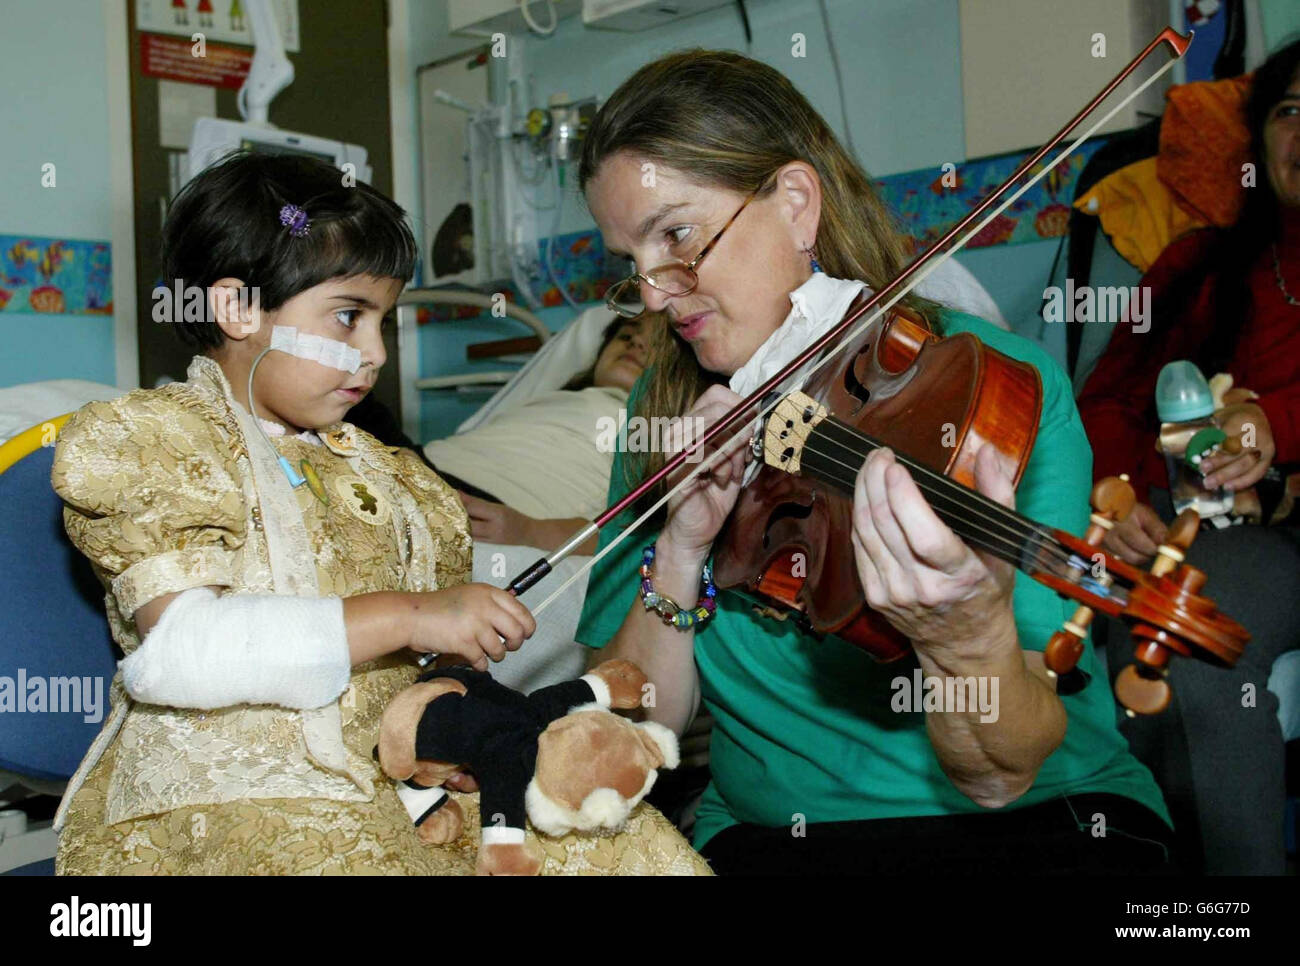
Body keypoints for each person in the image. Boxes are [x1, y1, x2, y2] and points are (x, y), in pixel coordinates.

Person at [572, 49, 1175, 875]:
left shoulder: (992, 389)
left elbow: (1006, 767)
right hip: (769, 833)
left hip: (1035, 815)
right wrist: (679, 551)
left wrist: (967, 643)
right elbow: (630, 732)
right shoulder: (668, 407)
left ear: (793, 204)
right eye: (628, 264)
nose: (650, 294)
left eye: (674, 235)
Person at [49, 151, 707, 875]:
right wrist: (411, 613)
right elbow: (180, 654)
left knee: (626, 846)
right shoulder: (155, 444)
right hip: (229, 806)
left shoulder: (393, 478)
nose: (374, 353)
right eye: (348, 316)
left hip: (396, 793)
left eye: (383, 321)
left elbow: (418, 673)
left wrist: (466, 723)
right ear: (235, 307)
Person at [1077, 40, 1300, 874]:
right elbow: (1109, 398)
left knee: (1192, 637)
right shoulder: (1199, 265)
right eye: (1288, 111)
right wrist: (1118, 492)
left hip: (1277, 526)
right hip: (1202, 523)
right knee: (1078, 626)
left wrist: (1275, 422)